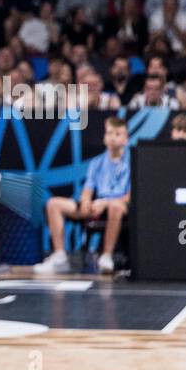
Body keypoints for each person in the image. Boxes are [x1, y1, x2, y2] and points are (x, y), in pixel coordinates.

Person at [36, 116, 131, 275]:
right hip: (96, 205)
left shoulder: (131, 161)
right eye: (109, 133)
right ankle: (60, 257)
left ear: (126, 139)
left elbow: (130, 196)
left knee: (116, 206)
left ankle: (106, 257)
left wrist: (106, 203)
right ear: (104, 137)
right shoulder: (97, 162)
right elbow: (88, 188)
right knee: (54, 203)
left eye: (118, 134)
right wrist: (86, 201)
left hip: (118, 205)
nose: (113, 138)